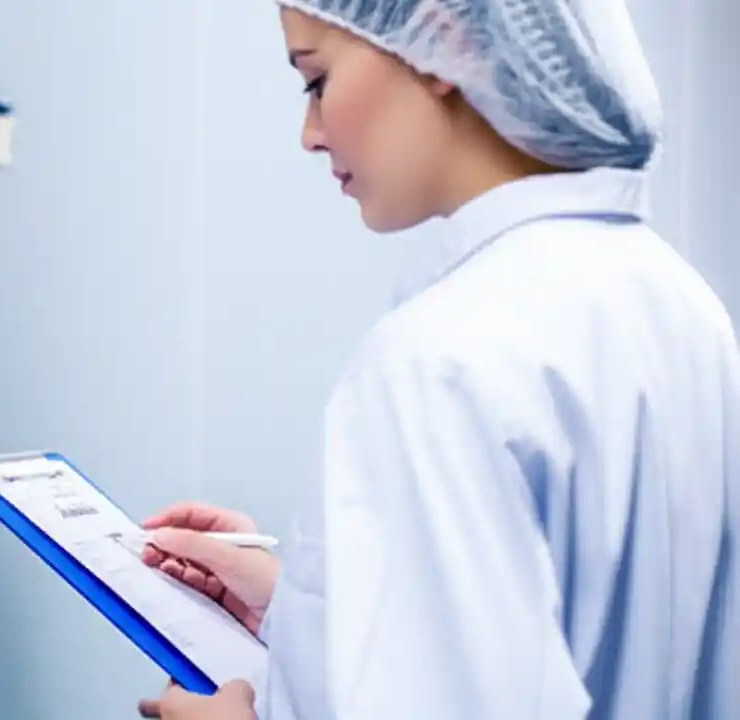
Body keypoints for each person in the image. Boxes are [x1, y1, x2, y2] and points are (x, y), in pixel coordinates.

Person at [137, 1, 740, 718]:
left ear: (442, 39)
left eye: (316, 79)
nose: (310, 133)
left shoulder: (436, 361)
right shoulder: (677, 301)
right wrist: (306, 609)